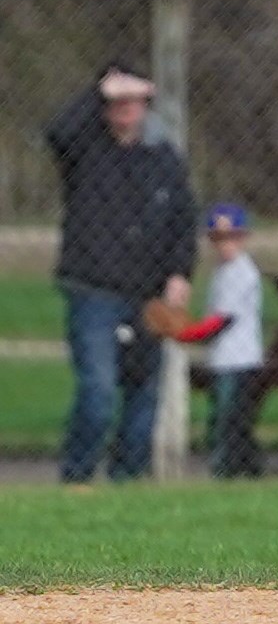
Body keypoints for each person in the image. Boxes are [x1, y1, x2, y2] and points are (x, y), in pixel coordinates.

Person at [45, 64, 198, 483]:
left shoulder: (164, 158)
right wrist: (98, 88)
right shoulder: (85, 150)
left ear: (147, 103)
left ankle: (127, 481)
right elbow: (57, 133)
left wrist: (180, 273)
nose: (126, 109)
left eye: (134, 100)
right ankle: (78, 477)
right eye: (116, 101)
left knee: (143, 393)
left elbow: (183, 221)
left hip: (147, 293)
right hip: (93, 289)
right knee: (98, 390)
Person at [203, 203, 265, 478]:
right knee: (227, 417)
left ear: (243, 237)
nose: (225, 244)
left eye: (231, 237)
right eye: (218, 238)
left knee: (229, 419)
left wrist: (188, 333)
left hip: (240, 360)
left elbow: (221, 320)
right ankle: (246, 467)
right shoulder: (221, 271)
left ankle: (225, 469)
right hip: (221, 358)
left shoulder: (243, 271)